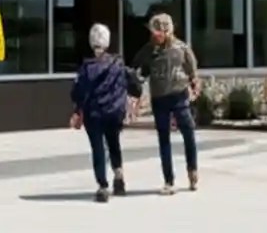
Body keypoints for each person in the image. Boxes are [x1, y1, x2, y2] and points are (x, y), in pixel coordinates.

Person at [131, 12, 200, 195]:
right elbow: (139, 72)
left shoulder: (181, 48)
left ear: (166, 31)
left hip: (179, 96)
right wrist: (135, 95)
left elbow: (192, 69)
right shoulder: (149, 50)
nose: (154, 35)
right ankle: (169, 180)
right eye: (152, 32)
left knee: (188, 131)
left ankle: (192, 170)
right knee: (163, 138)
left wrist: (194, 84)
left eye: (157, 32)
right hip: (159, 98)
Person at [69, 23, 130, 202]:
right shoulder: (118, 64)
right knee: (113, 144)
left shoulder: (86, 68)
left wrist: (77, 111)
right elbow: (130, 82)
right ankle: (119, 177)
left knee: (98, 148)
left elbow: (78, 92)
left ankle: (103, 186)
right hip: (114, 111)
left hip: (94, 113)